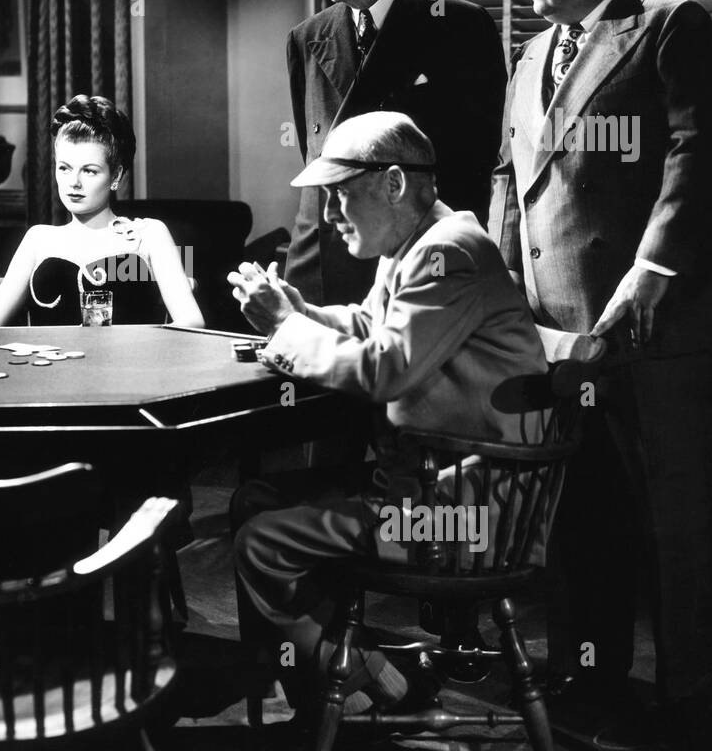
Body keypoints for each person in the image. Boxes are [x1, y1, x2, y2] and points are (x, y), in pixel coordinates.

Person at [491, 0, 712, 751]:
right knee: (578, 510)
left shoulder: (671, 25)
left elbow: (698, 147)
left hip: (658, 324)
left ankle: (688, 706)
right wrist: (496, 286)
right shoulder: (528, 57)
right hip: (559, 326)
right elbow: (505, 177)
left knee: (675, 522)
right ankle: (583, 673)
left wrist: (653, 267)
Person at [229, 112, 545, 716]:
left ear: (394, 184)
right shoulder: (419, 243)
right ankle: (338, 695)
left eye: (341, 195)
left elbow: (386, 368)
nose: (328, 215)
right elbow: (376, 328)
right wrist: (300, 312)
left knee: (260, 542)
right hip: (435, 497)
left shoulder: (448, 253)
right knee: (256, 500)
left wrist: (285, 327)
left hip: (465, 524)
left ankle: (372, 685)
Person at [284, 0, 506, 307]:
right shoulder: (306, 38)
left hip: (419, 254)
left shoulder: (459, 25)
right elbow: (314, 153)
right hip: (325, 251)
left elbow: (479, 161)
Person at [0, 95, 203, 329]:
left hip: (132, 379)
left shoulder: (149, 235)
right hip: (49, 378)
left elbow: (192, 323)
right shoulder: (39, 239)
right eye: (64, 168)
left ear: (116, 175)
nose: (74, 182)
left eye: (89, 170)